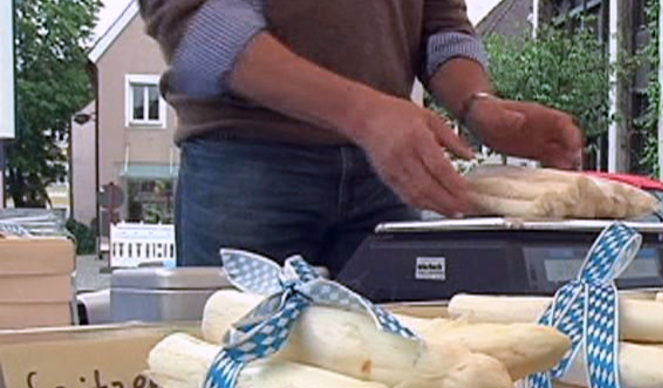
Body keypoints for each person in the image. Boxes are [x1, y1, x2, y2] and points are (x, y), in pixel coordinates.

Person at [140, 0, 584, 274]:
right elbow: (201, 24)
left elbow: (442, 24)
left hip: (384, 170)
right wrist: (366, 115)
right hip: (247, 166)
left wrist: (478, 105)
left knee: (396, 384)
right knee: (246, 386)